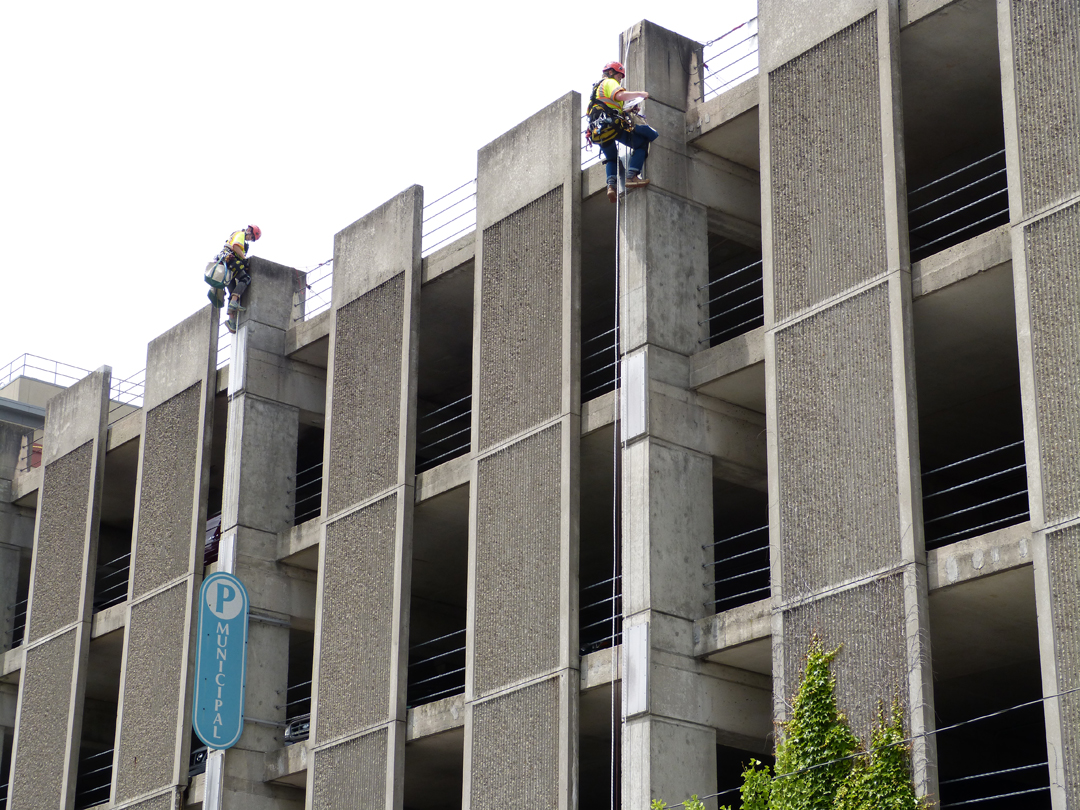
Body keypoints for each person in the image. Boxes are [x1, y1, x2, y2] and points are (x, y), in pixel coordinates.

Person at [588, 61, 658, 203]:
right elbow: (619, 96)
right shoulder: (609, 82)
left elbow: (609, 108)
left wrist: (628, 110)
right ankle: (632, 176)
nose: (620, 79)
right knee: (642, 143)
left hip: (598, 132)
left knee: (612, 158)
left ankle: (611, 186)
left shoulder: (595, 93)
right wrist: (640, 94)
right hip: (613, 127)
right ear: (612, 73)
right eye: (620, 76)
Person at [222, 225, 260, 332]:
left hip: (226, 265)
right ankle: (234, 303)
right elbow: (236, 247)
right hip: (230, 261)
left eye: (252, 239)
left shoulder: (236, 234)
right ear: (249, 231)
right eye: (252, 237)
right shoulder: (240, 235)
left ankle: (231, 321)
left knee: (233, 291)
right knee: (245, 279)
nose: (250, 239)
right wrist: (244, 259)